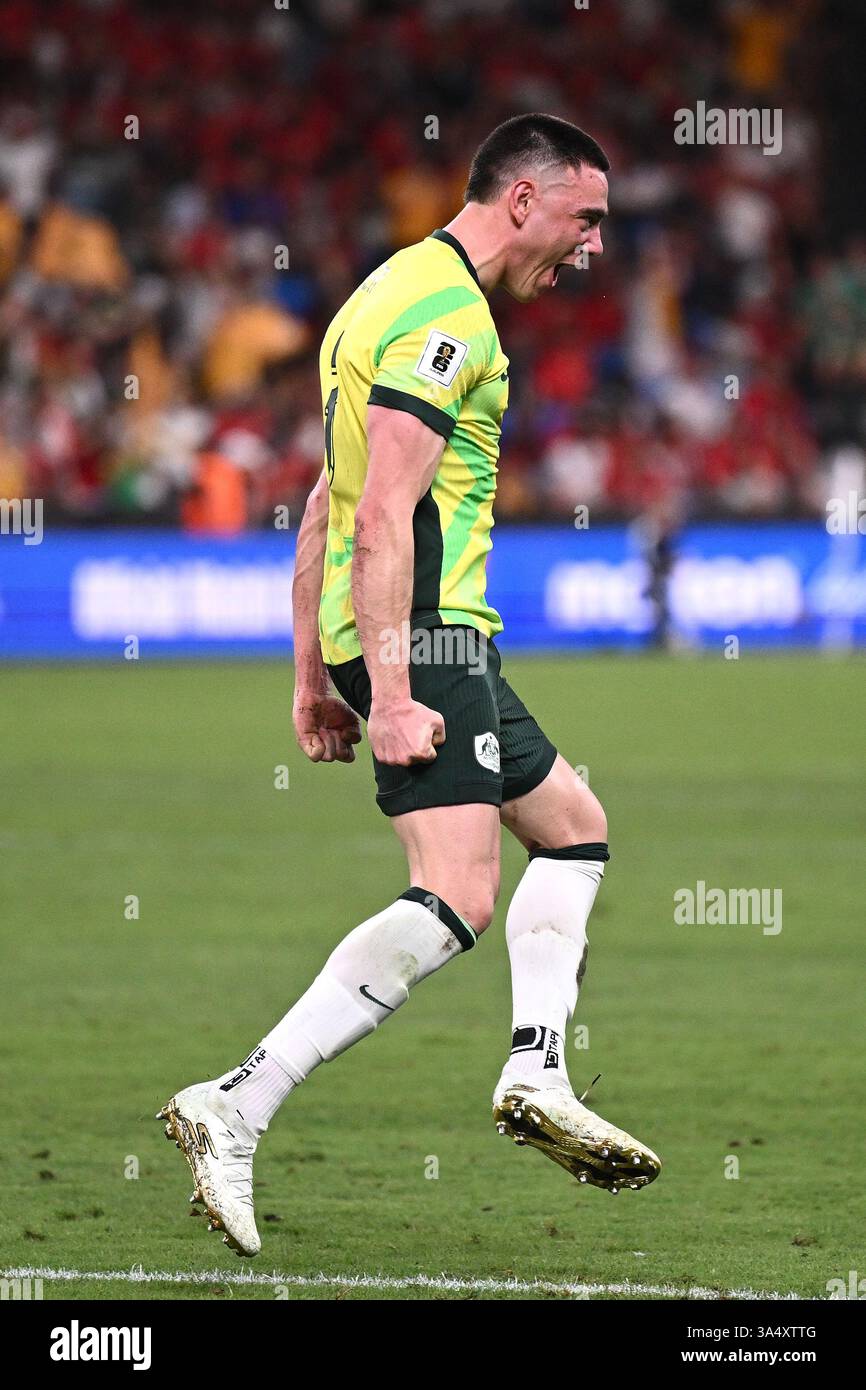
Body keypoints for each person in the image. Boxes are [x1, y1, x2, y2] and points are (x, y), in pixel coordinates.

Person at [159, 114, 661, 1257]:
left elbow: (325, 500)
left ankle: (536, 1069)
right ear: (521, 200)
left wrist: (311, 666)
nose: (589, 248)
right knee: (457, 896)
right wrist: (385, 687)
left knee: (573, 829)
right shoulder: (447, 319)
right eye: (582, 220)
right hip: (424, 639)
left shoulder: (385, 291)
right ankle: (238, 1101)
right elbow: (380, 511)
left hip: (413, 635)